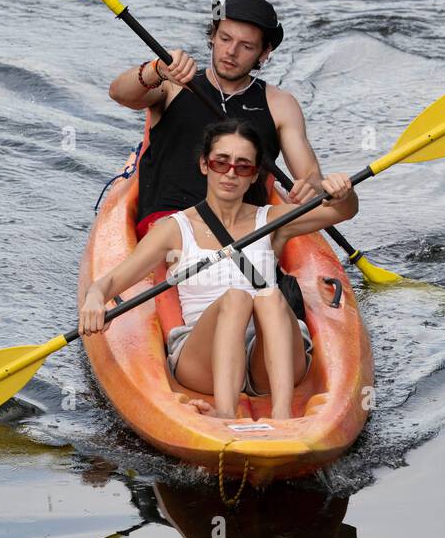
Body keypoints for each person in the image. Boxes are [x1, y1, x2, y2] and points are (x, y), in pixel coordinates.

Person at [79, 119, 358, 421]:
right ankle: (225, 414)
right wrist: (94, 298)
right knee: (235, 298)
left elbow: (342, 212)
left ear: (254, 176)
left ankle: (282, 417)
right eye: (221, 163)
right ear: (204, 165)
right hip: (203, 360)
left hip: (266, 356)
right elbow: (108, 283)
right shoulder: (175, 228)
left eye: (243, 166)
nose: (230, 174)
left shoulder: (273, 220)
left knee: (270, 297)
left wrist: (344, 192)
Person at [108, 0, 327, 240]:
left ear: (264, 53)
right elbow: (119, 93)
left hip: (242, 233)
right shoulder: (173, 83)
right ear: (212, 36)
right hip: (167, 226)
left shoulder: (280, 105)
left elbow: (310, 175)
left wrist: (311, 187)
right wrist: (155, 69)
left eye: (246, 46)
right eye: (225, 38)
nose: (231, 52)